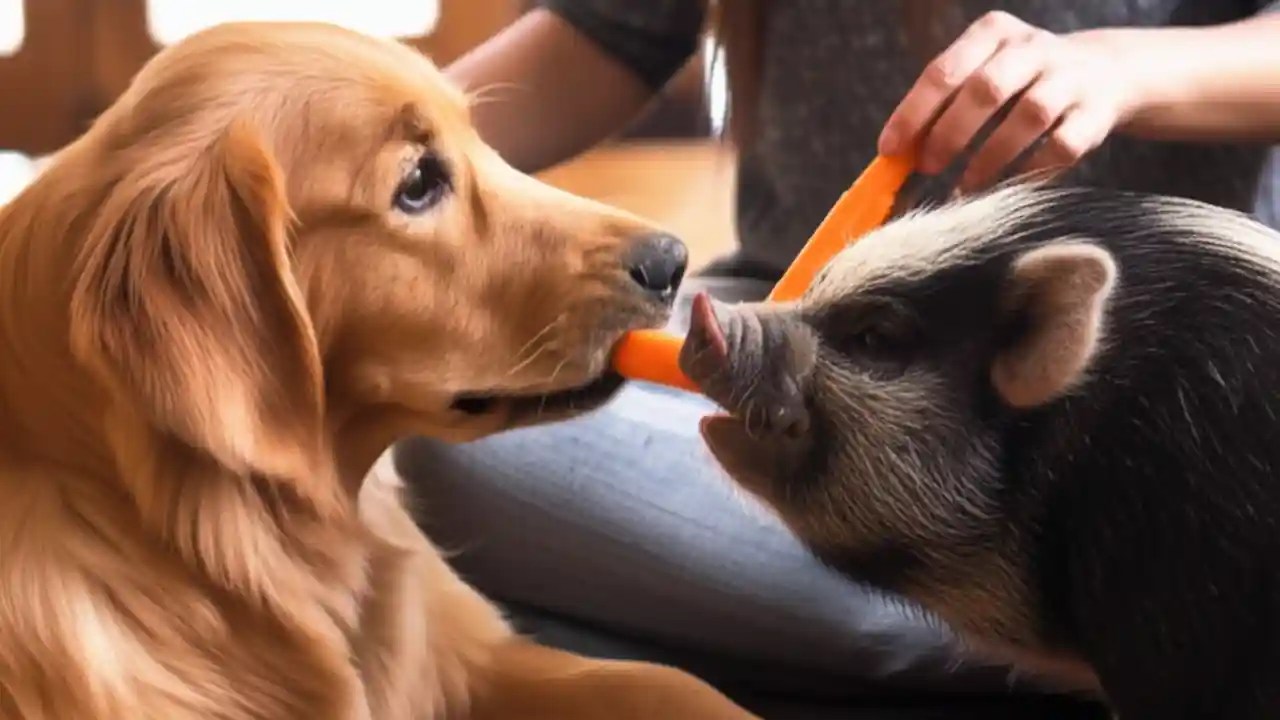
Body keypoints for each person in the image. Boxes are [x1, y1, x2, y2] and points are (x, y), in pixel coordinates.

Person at [395, 1, 1280, 713]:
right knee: (414, 426)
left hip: (1104, 433)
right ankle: (959, 631)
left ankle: (965, 610)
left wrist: (1126, 69)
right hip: (793, 304)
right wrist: (382, 134)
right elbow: (608, 33)